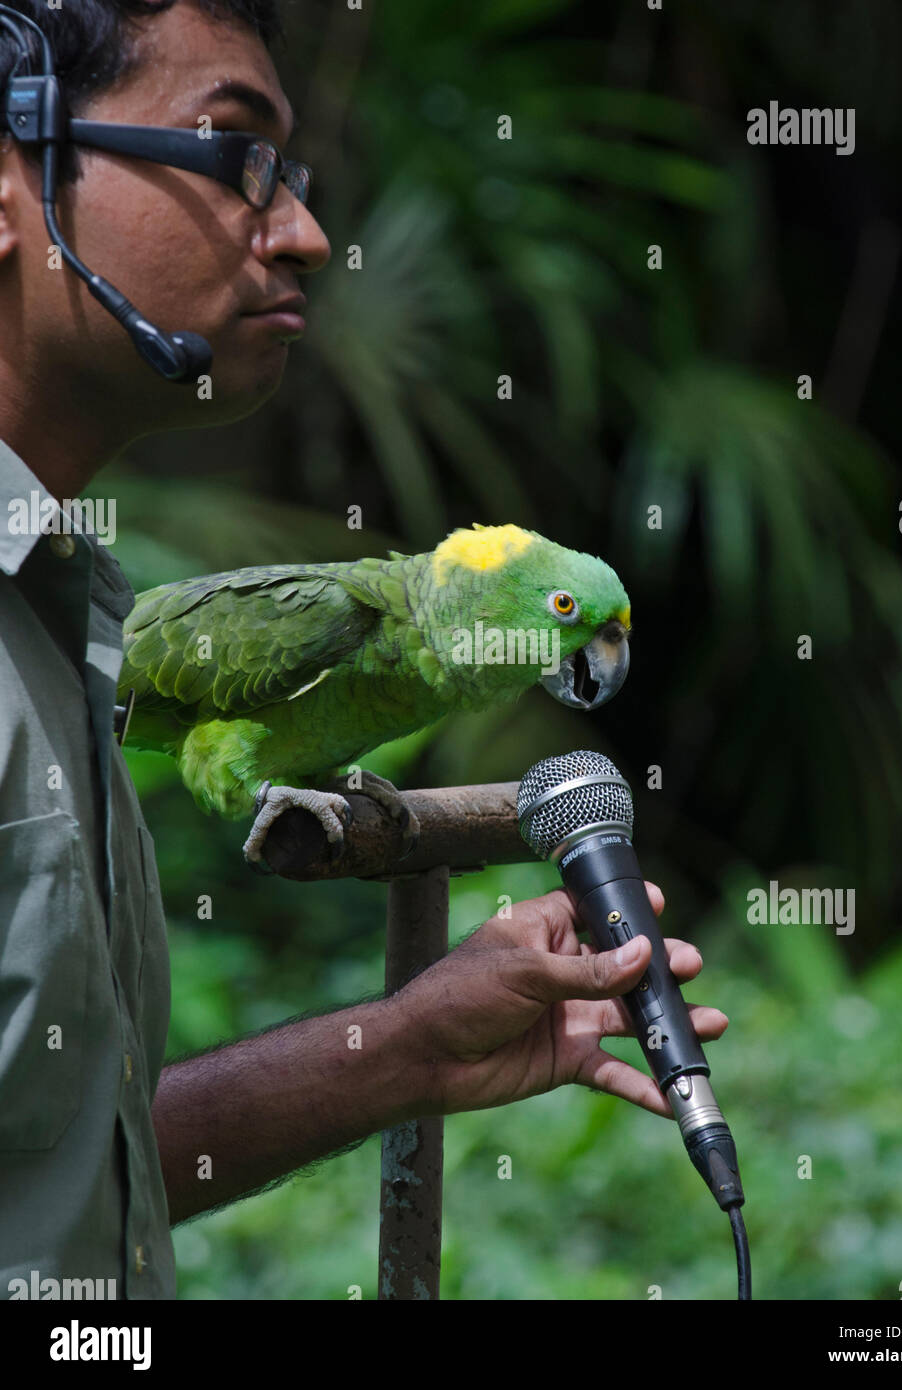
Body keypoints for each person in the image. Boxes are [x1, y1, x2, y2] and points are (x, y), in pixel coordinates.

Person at [0, 0, 728, 1299]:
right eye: (234, 155)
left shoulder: (59, 624)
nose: (307, 234)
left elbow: (61, 1186)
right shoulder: (291, 620)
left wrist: (408, 1046)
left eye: (296, 178)